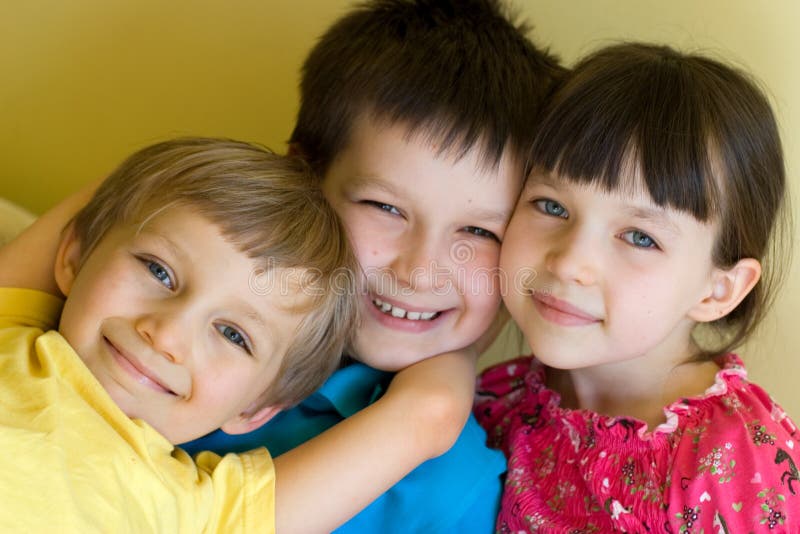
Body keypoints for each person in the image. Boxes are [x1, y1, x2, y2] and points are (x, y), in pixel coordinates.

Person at [183, 0, 564, 531]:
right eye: (385, 208)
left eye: (479, 232)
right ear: (301, 178)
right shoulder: (175, 323)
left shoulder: (450, 487)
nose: (419, 272)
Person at [0, 137, 474, 532]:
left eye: (233, 334)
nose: (166, 335)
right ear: (73, 257)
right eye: (159, 272)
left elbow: (427, 414)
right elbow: (107, 204)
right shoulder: (10, 329)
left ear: (255, 408)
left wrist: (464, 338)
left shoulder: (204, 512)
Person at [474, 43, 798, 532]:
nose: (569, 264)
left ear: (718, 290)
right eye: (552, 206)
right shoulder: (494, 402)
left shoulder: (736, 465)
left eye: (640, 237)